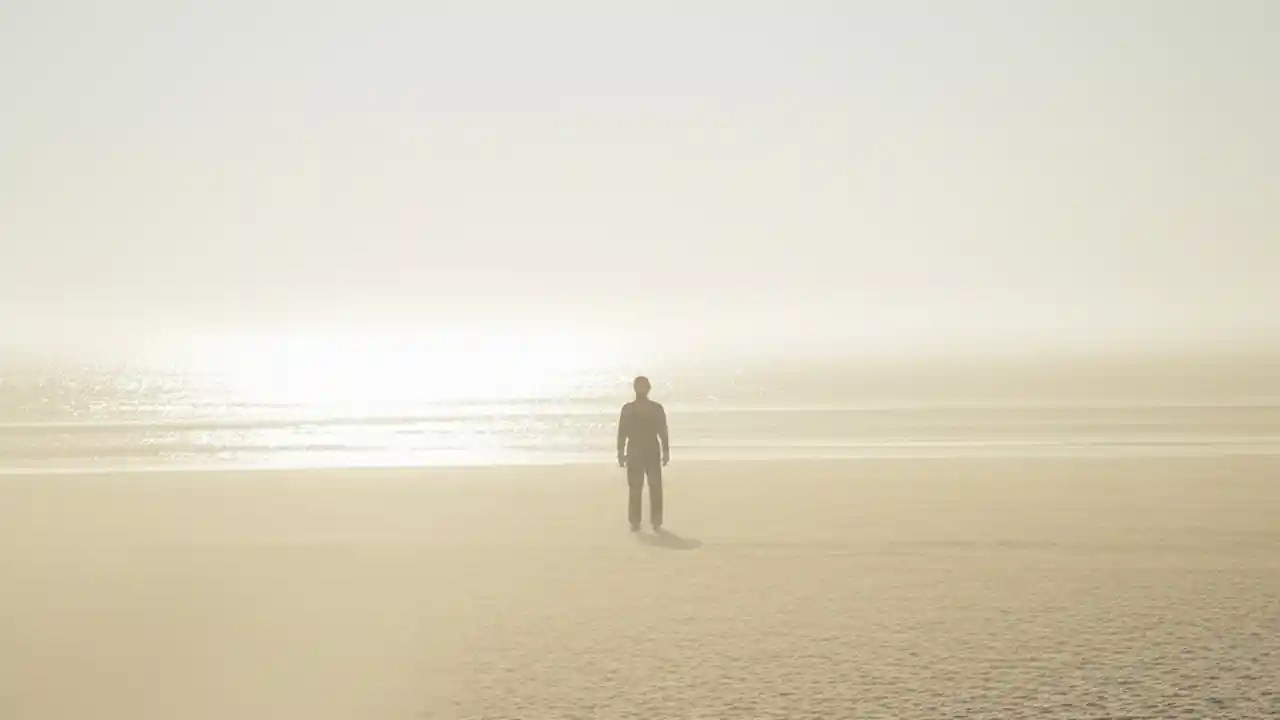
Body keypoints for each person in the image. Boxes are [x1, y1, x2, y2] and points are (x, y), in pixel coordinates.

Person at [616, 376, 670, 532]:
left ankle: (651, 520)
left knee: (650, 487)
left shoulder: (642, 408)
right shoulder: (642, 408)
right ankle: (642, 521)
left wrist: (666, 450)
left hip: (644, 451)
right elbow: (622, 432)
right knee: (639, 488)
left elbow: (663, 431)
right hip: (641, 451)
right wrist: (620, 451)